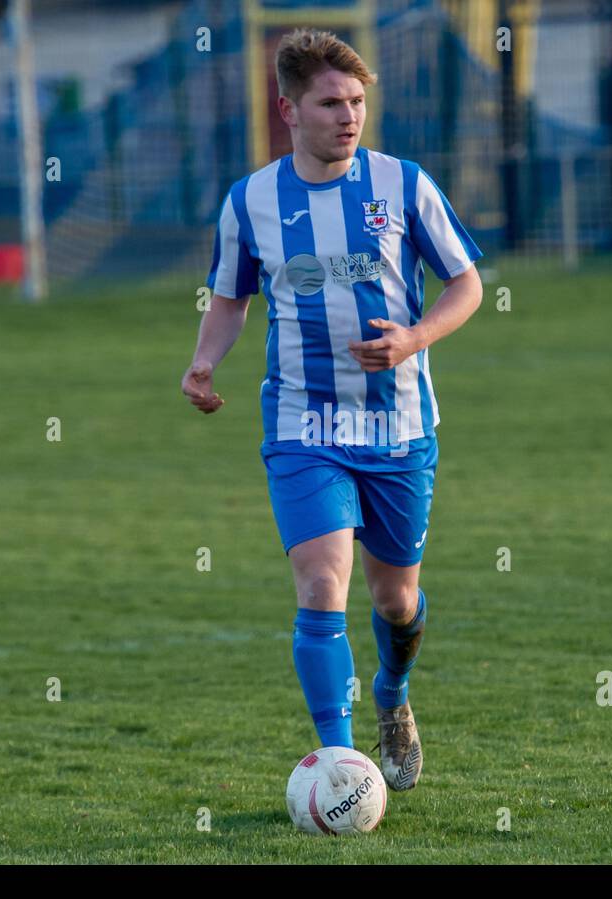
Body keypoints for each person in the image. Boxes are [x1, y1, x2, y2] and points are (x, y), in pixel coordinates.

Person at [181, 28, 484, 792]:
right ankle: (340, 763)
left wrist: (414, 337)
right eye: (330, 103)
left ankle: (393, 694)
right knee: (323, 583)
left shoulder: (404, 185)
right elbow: (229, 298)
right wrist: (203, 360)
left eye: (357, 101)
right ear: (289, 110)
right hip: (302, 424)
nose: (349, 116)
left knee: (396, 596)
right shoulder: (250, 200)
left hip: (398, 426)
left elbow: (466, 285)